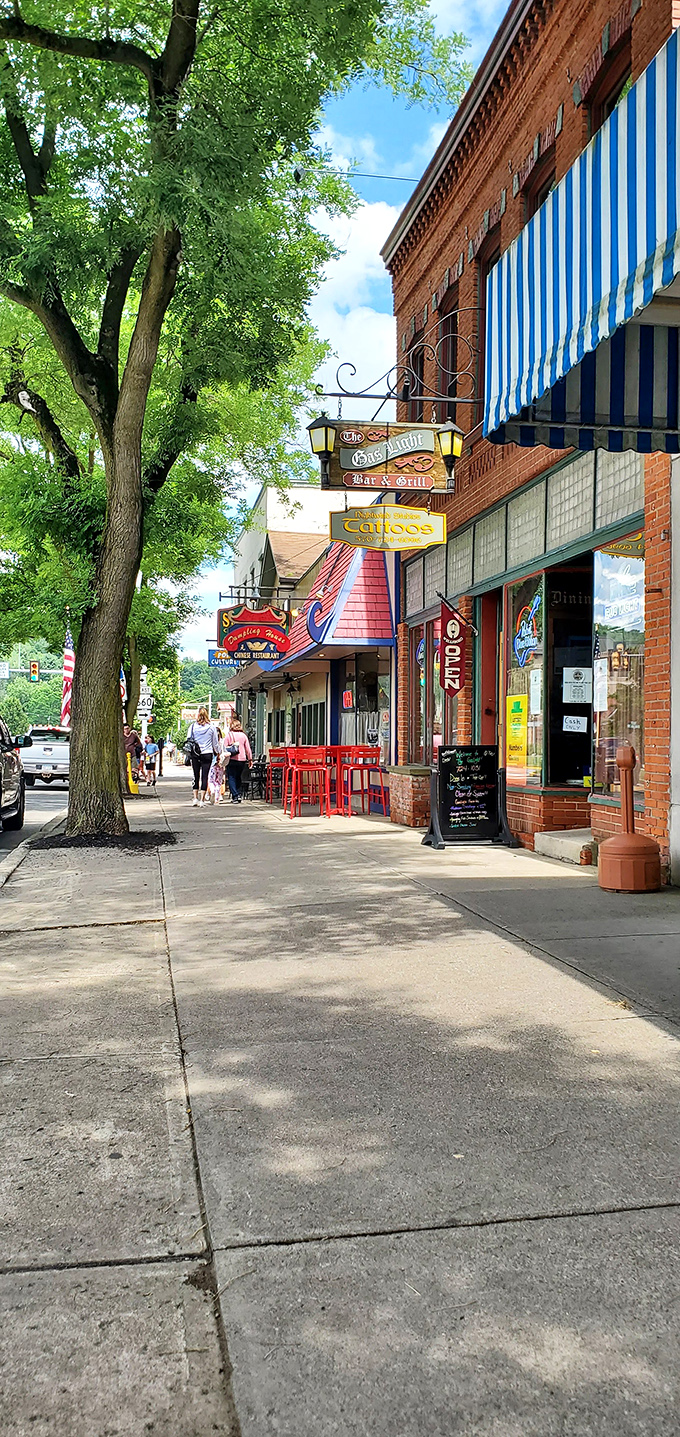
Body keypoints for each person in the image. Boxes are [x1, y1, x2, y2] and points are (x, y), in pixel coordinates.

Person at [187, 706, 219, 806]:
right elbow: (215, 743)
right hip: (207, 753)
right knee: (205, 776)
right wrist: (217, 752)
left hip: (195, 754)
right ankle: (202, 800)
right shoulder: (212, 727)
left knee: (196, 775)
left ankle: (195, 798)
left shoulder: (192, 727)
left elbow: (188, 739)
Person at [224, 715, 252, 803]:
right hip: (242, 760)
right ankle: (239, 794)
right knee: (238, 777)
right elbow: (248, 748)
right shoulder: (243, 736)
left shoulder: (229, 735)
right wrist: (250, 759)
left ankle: (235, 796)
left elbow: (224, 747)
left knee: (231, 777)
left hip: (232, 759)